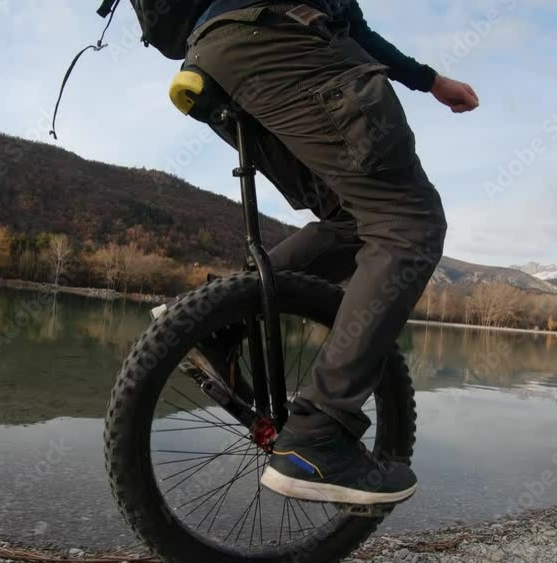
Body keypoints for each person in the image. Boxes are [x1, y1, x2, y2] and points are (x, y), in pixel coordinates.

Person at [156, 0, 479, 505]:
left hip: (215, 62)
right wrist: (431, 81)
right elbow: (354, 28)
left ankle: (218, 323)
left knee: (352, 219)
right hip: (286, 42)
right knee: (408, 223)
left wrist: (429, 80)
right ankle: (319, 432)